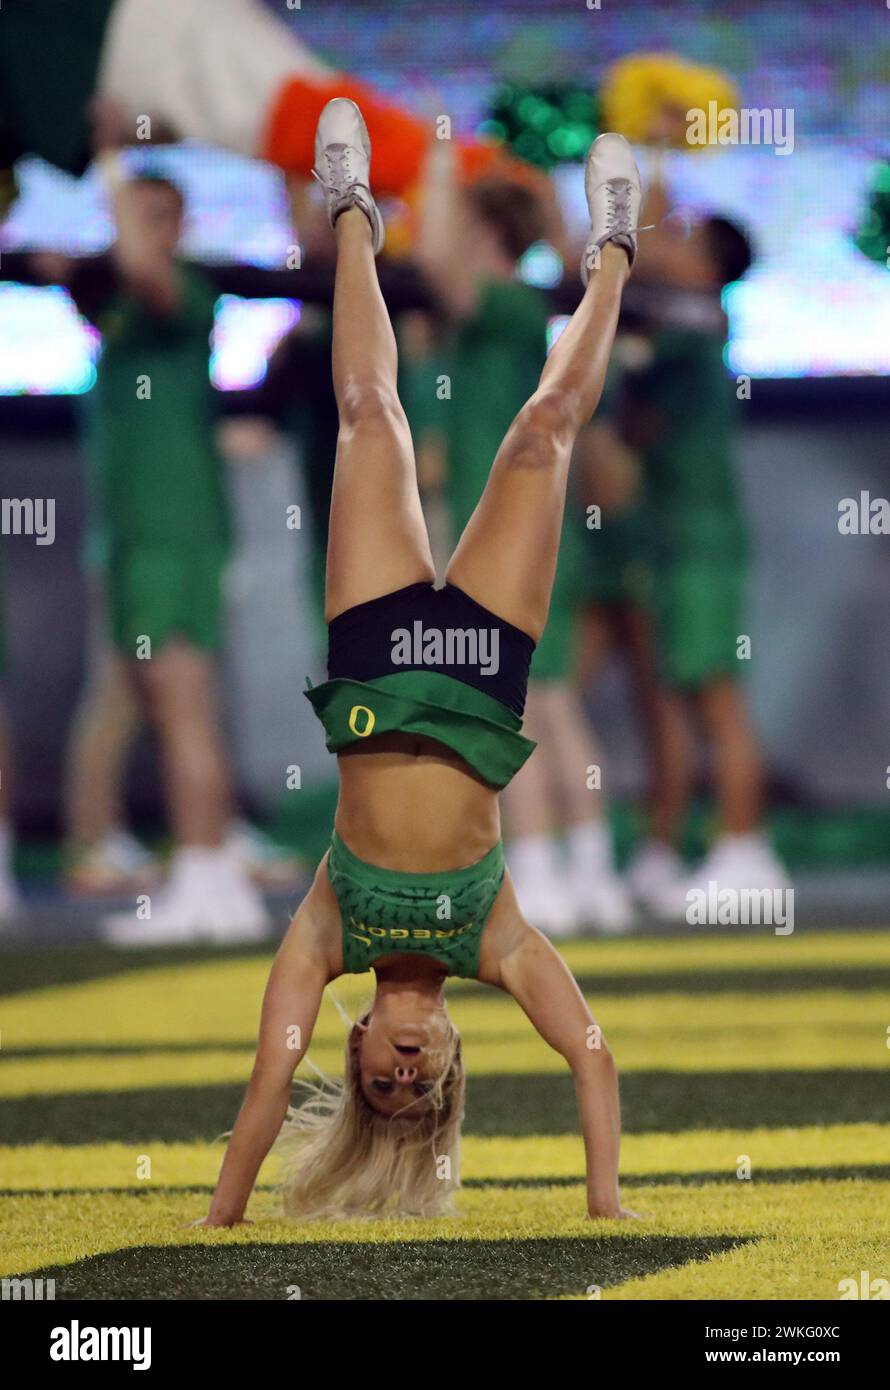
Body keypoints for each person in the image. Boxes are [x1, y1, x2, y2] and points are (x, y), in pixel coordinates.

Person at [200, 100, 642, 1226]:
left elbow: (261, 1085)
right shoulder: (494, 938)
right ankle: (612, 251)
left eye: (379, 1081)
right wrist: (603, 1202)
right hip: (485, 662)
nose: (401, 1068)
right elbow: (591, 1055)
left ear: (351, 1049)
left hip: (376, 656)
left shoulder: (325, 933)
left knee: (366, 413)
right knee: (543, 429)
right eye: (422, 1083)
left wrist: (222, 1216)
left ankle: (349, 210)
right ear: (450, 1062)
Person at [407, 142, 632, 936]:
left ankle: (536, 877)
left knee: (514, 712)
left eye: (459, 225)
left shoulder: (503, 305)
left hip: (509, 539)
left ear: (485, 235)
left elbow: (433, 261)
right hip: (526, 535)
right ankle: (591, 875)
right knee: (555, 706)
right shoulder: (498, 320)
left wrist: (433, 164)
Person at [67, 164, 270, 941]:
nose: (137, 229)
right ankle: (215, 881)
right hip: (136, 538)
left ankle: (203, 876)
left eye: (155, 215)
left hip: (174, 536)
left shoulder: (183, 291)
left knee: (184, 706)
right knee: (165, 704)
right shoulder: (115, 306)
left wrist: (112, 163)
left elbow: (144, 267)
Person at [613, 173, 790, 914]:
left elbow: (636, 430)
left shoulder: (693, 329)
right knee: (686, 693)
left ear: (710, 267)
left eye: (685, 240)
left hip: (701, 543)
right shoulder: (680, 327)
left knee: (718, 695)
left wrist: (646, 183)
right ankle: (689, 845)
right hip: (678, 540)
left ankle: (747, 848)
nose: (668, 246)